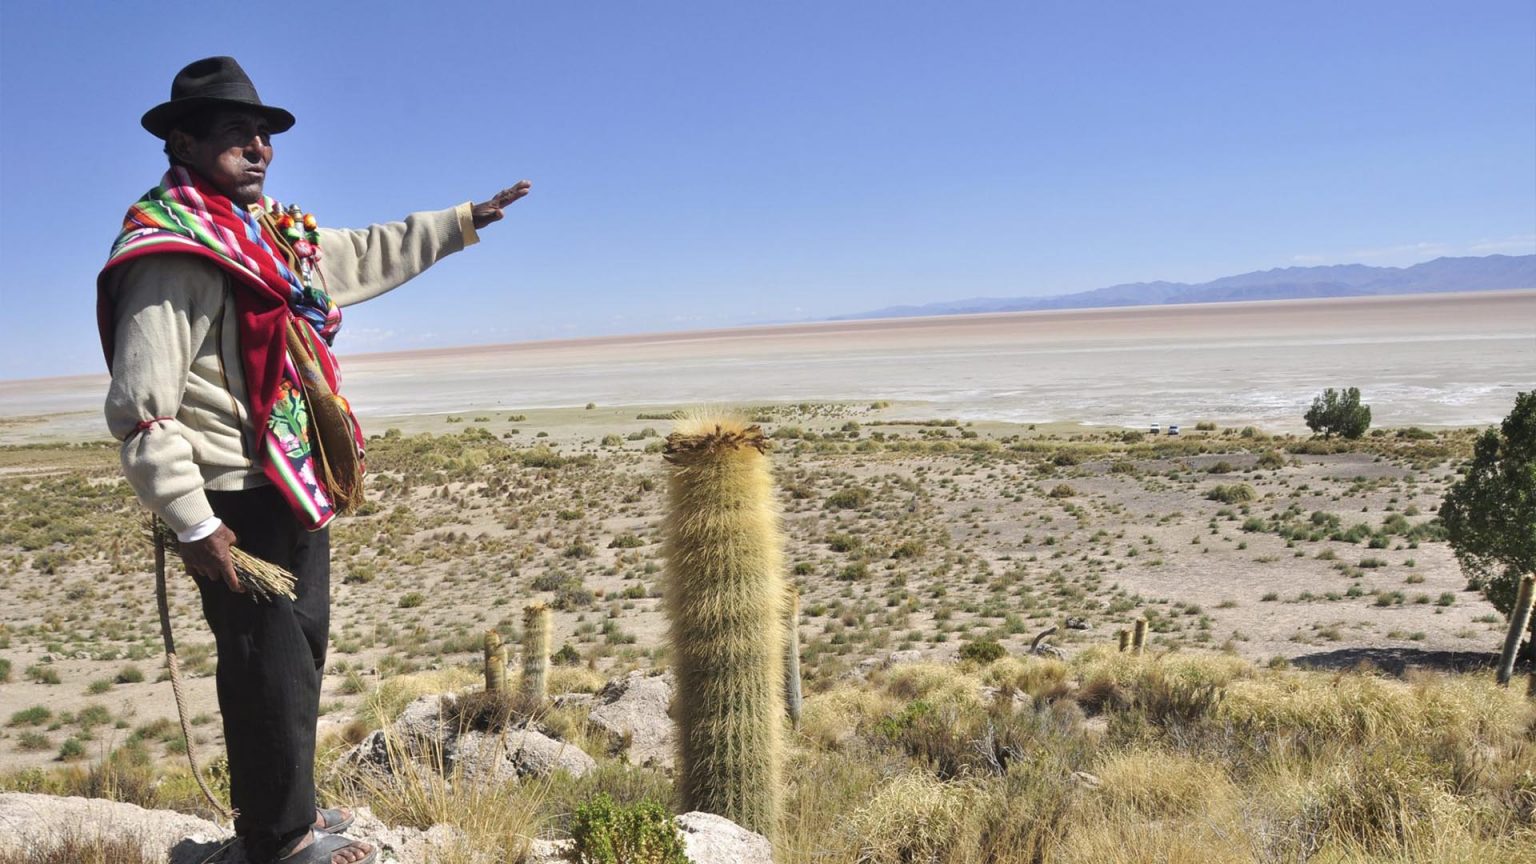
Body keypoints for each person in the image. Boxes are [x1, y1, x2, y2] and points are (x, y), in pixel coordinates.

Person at [96, 56, 531, 864]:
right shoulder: (173, 253)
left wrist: (464, 220)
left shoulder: (267, 238)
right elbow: (142, 408)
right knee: (266, 668)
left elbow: (363, 251)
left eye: (264, 134)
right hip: (230, 497)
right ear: (182, 142)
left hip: (291, 482)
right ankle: (280, 839)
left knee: (298, 653)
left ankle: (281, 817)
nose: (259, 147)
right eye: (236, 133)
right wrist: (193, 523)